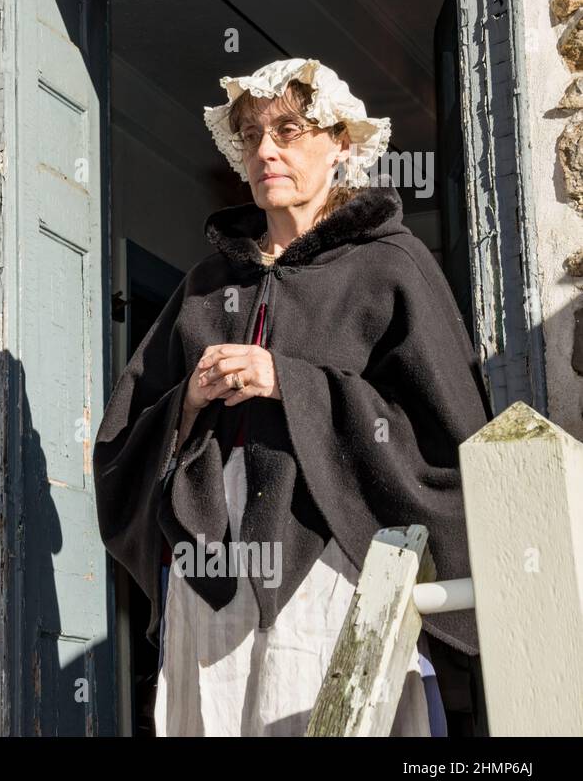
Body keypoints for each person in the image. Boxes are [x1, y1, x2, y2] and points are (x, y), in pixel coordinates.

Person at [93, 57, 492, 736]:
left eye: (289, 129)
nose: (265, 150)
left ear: (340, 142)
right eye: (251, 135)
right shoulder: (205, 285)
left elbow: (450, 439)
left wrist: (292, 382)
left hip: (334, 565)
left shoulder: (389, 267)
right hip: (212, 582)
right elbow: (121, 445)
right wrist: (188, 400)